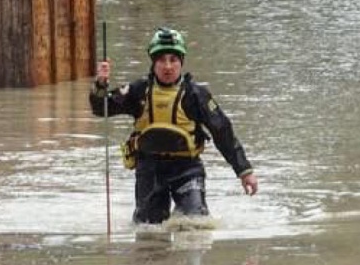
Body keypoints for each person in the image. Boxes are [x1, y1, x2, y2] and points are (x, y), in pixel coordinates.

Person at [91, 27, 257, 227]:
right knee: (147, 230)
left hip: (187, 169)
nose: (167, 67)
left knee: (195, 226)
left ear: (181, 62)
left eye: (173, 60)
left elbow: (222, 132)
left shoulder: (196, 95)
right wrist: (101, 84)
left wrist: (244, 171)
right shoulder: (138, 90)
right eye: (161, 60)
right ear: (153, 62)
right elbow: (102, 108)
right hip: (149, 169)